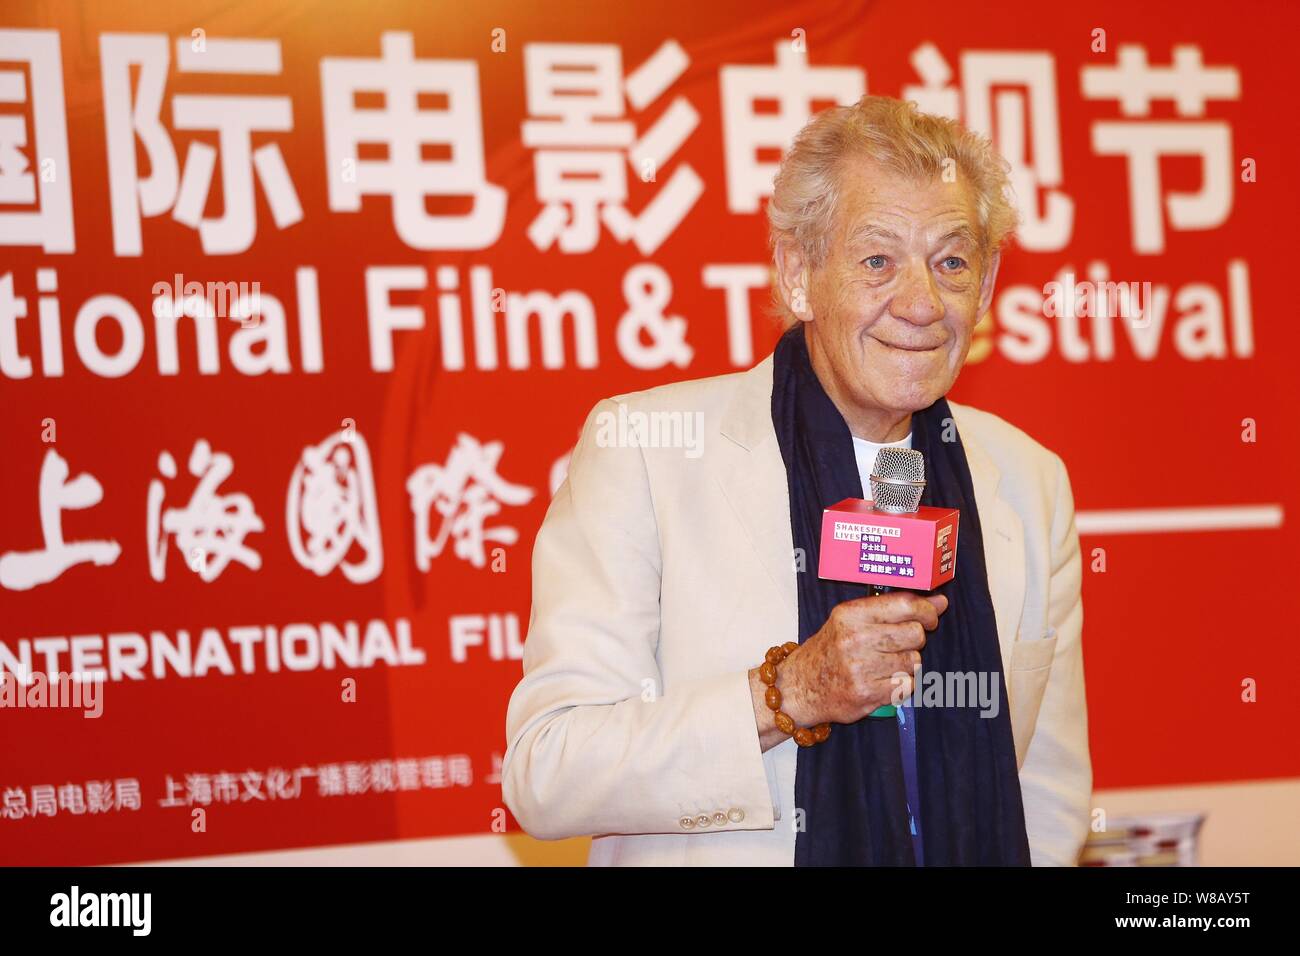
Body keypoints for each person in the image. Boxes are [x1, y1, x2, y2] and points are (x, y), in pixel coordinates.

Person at [502, 94, 1091, 866]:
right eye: (877, 260)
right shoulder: (645, 451)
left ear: (984, 289)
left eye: (951, 261)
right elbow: (548, 771)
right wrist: (788, 694)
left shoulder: (1028, 482)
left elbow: (1046, 796)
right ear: (798, 273)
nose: (921, 303)